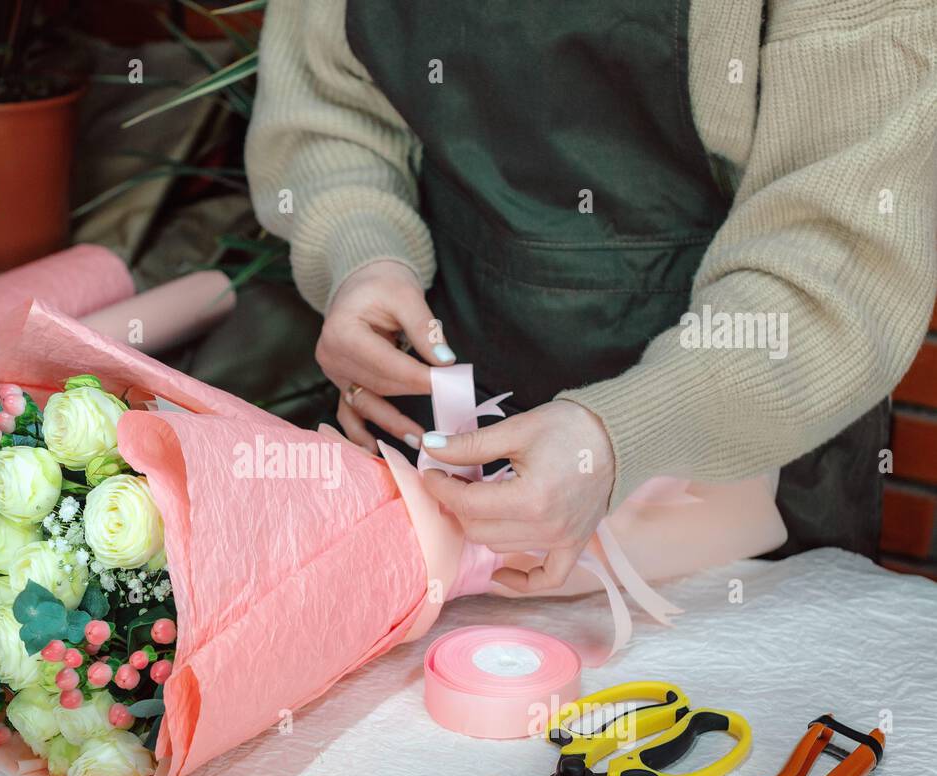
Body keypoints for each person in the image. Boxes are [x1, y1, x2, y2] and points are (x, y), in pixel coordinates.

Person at [246, 0, 937, 592]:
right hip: (433, 462)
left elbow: (840, 256)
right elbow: (326, 114)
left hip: (735, 480)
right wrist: (362, 254)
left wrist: (617, 437)